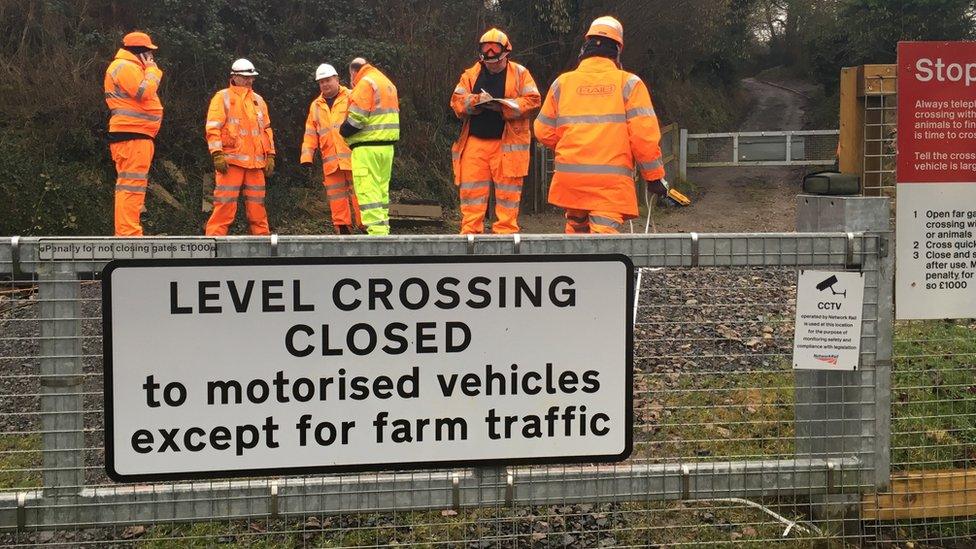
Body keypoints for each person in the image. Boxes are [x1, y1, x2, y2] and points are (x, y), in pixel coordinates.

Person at [534, 16, 668, 234]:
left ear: (585, 47)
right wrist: (654, 177)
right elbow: (644, 138)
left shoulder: (562, 83)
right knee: (603, 245)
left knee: (576, 240)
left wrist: (573, 147)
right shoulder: (629, 84)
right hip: (609, 185)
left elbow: (542, 130)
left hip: (571, 181)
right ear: (617, 50)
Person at [450, 28, 541, 234]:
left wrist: (503, 106)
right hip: (474, 142)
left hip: (507, 142)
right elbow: (456, 101)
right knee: (471, 193)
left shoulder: (520, 73)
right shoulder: (471, 74)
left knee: (508, 194)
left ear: (506, 52)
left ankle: (506, 234)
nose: (491, 56)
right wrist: (475, 102)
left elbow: (533, 101)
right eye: (486, 50)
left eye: (494, 50)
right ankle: (470, 234)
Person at [204, 59, 276, 236]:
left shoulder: (258, 100)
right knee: (224, 205)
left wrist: (271, 155)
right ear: (234, 77)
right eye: (245, 77)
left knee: (257, 208)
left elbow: (266, 130)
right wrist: (217, 154)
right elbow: (213, 127)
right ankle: (213, 243)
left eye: (251, 77)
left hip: (255, 164)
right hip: (231, 162)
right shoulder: (222, 97)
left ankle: (263, 244)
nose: (249, 80)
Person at [103, 31, 164, 236]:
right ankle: (128, 233)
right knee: (131, 186)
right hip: (132, 135)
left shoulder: (127, 66)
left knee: (131, 185)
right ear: (140, 52)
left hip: (135, 135)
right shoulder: (126, 66)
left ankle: (127, 231)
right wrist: (154, 72)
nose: (151, 58)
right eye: (148, 53)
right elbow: (142, 92)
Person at [339, 58, 399, 236]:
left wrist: (344, 130)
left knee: (367, 191)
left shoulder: (365, 83)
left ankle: (376, 234)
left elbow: (358, 118)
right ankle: (383, 229)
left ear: (353, 72)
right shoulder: (386, 82)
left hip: (366, 148)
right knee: (381, 192)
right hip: (386, 147)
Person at [301, 63, 361, 234]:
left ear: (336, 79)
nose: (325, 84)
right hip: (331, 160)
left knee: (360, 194)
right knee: (336, 197)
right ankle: (342, 228)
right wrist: (307, 156)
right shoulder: (316, 105)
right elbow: (310, 132)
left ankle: (365, 226)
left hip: (353, 156)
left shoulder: (351, 96)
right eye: (321, 82)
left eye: (327, 80)